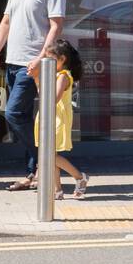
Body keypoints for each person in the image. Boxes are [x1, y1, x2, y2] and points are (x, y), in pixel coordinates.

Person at [0, 0, 67, 190]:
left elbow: (56, 25)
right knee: (22, 117)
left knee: (13, 114)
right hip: (13, 60)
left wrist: (42, 57)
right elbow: (6, 22)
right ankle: (35, 170)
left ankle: (43, 162)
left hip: (34, 64)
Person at [32, 39, 89, 200]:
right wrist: (36, 78)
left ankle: (79, 177)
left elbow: (53, 98)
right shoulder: (55, 74)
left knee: (50, 155)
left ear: (62, 59)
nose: (47, 62)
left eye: (51, 59)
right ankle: (57, 190)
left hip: (56, 117)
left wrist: (38, 80)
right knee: (50, 155)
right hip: (48, 115)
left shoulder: (63, 76)